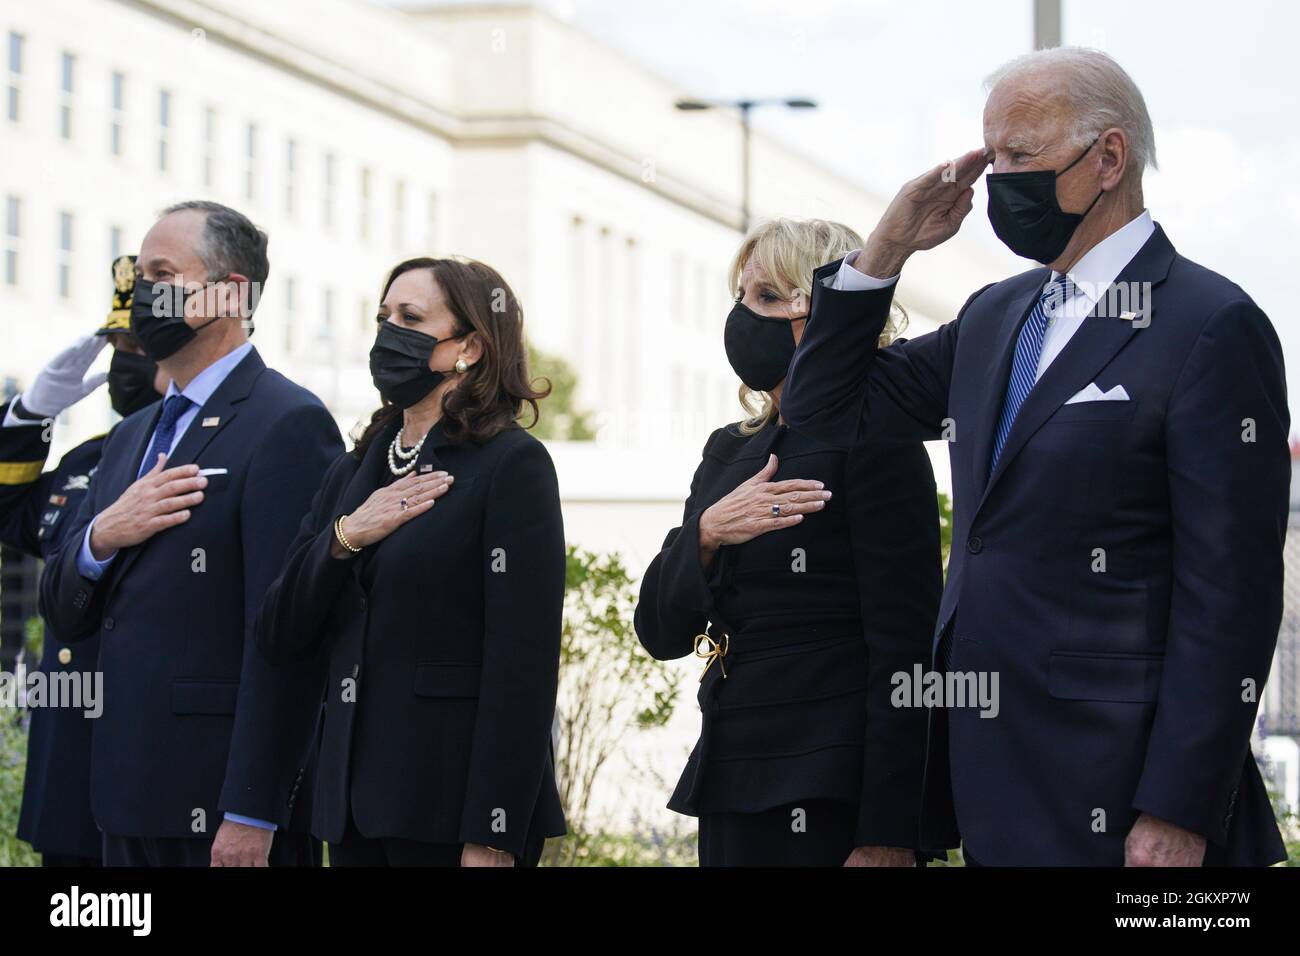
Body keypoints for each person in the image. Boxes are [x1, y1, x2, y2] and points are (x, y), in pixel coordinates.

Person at [782, 47, 1288, 867]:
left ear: (1109, 159)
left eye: (1021, 156)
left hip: (1124, 796)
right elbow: (823, 411)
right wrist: (886, 249)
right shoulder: (995, 315)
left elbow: (1229, 596)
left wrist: (1178, 809)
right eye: (992, 157)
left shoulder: (1211, 323)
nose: (998, 181)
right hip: (990, 786)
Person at [39, 202, 343, 867]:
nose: (141, 293)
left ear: (230, 293)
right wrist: (101, 537)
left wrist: (254, 808)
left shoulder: (287, 422)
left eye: (161, 272)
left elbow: (288, 636)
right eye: (137, 274)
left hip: (223, 816)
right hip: (123, 798)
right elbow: (63, 606)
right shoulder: (129, 437)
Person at [634, 218, 942, 866]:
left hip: (834, 787)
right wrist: (708, 534)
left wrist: (887, 833)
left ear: (825, 310)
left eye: (769, 297)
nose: (746, 316)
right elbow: (661, 630)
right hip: (731, 768)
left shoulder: (878, 436)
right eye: (743, 296)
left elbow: (907, 646)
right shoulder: (729, 449)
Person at [255, 256, 567, 867]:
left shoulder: (512, 466)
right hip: (350, 813)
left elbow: (522, 668)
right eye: (382, 316)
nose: (387, 332)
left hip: (450, 815)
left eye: (410, 317)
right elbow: (279, 628)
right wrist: (346, 537)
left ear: (469, 347)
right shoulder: (354, 470)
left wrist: (492, 833)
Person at [0, 255, 164, 866]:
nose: (126, 361)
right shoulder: (85, 462)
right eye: (118, 344)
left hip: (151, 759)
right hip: (68, 758)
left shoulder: (220, 447)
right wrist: (30, 415)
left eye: (140, 344)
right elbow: (12, 514)